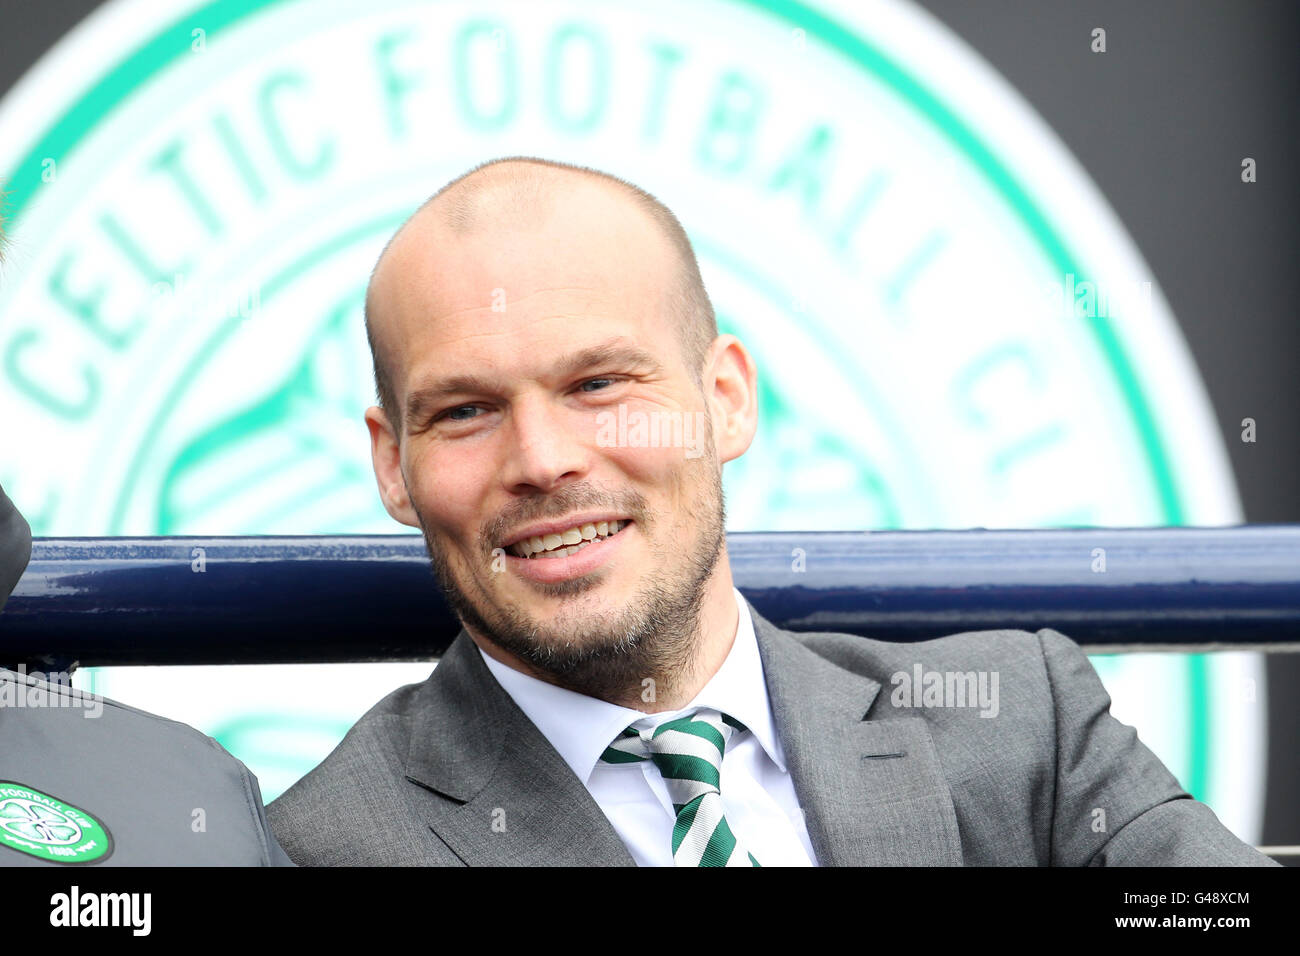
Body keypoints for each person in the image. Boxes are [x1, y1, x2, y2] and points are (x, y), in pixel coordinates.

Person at [266, 156, 1276, 867]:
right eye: (468, 410)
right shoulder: (317, 848)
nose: (543, 459)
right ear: (394, 465)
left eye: (599, 384)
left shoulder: (1024, 727)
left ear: (726, 399)